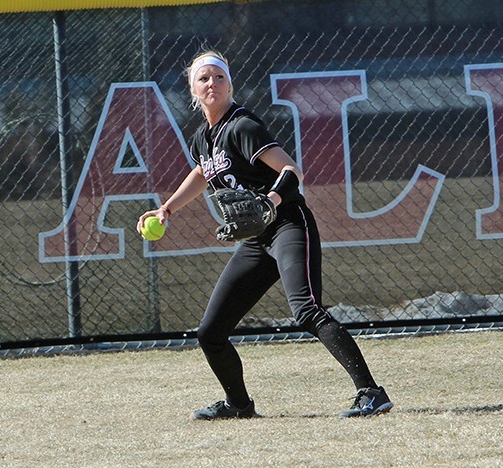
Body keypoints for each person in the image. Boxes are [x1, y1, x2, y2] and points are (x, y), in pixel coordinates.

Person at [136, 51, 393, 420]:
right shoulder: (201, 138)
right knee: (210, 332)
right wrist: (166, 209)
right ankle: (238, 405)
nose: (212, 84)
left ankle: (371, 393)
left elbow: (291, 171)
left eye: (219, 77)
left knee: (306, 310)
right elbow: (202, 172)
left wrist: (269, 200)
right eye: (203, 79)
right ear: (193, 89)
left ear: (230, 84)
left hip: (287, 223)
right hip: (257, 239)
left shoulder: (242, 127)